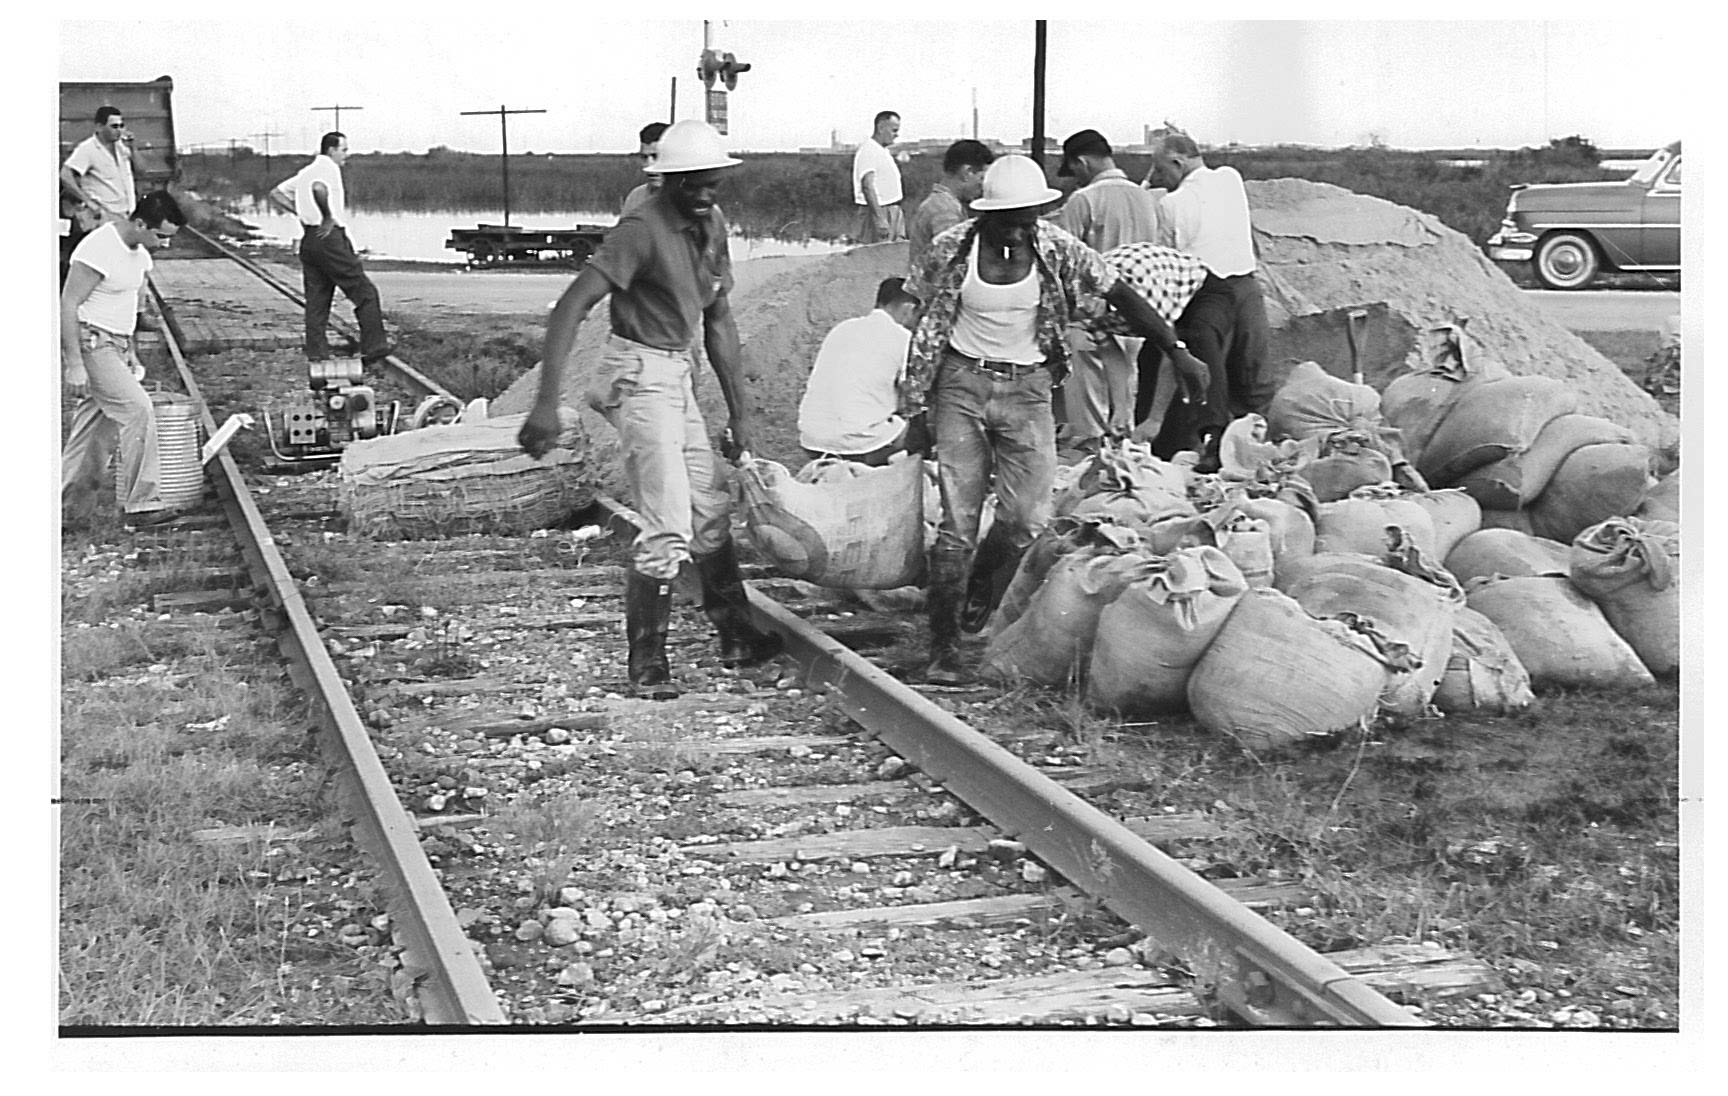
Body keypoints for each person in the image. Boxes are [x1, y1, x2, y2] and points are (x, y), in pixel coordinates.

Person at [902, 155, 1211, 683]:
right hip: (961, 384)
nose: (1022, 228)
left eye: (1031, 216)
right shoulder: (952, 249)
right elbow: (918, 312)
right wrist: (913, 402)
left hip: (1028, 390)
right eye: (1011, 218)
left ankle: (982, 578)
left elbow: (1119, 291)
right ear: (987, 214)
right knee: (957, 522)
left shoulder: (1053, 246)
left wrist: (1175, 348)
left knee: (1025, 518)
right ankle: (943, 648)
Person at [517, 120, 780, 701]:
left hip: (676, 370)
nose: (706, 192)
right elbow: (570, 308)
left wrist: (741, 415)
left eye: (713, 182)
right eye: (693, 184)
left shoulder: (710, 226)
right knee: (669, 521)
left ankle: (736, 636)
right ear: (668, 181)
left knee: (710, 505)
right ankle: (647, 663)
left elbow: (719, 320)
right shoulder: (641, 228)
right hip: (639, 373)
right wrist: (544, 403)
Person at [1138, 129, 1274, 467]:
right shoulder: (1230, 178)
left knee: (1199, 372)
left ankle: (1206, 446)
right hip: (1245, 285)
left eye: (1161, 169)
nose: (1159, 178)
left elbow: (1166, 260)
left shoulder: (1171, 204)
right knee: (1251, 372)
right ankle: (1250, 446)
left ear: (1177, 162)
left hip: (1204, 292)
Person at [60, 190, 187, 529]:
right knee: (138, 410)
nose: (165, 244)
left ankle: (68, 511)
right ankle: (141, 504)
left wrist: (130, 349)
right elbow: (68, 304)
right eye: (161, 236)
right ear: (140, 223)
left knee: (93, 432)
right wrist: (74, 364)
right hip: (93, 342)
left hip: (115, 345)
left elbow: (129, 302)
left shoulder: (140, 253)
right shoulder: (98, 248)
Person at [1055, 129, 1167, 452]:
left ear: (1082, 162)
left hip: (1092, 315)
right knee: (1124, 393)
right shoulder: (1147, 198)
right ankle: (1123, 451)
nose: (1073, 177)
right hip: (1138, 309)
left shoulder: (1084, 200)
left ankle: (1092, 457)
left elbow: (1064, 263)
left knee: (1089, 410)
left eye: (1073, 169)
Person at [267, 132, 393, 365]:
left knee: (317, 300)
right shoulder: (328, 169)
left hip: (310, 239)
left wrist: (300, 213)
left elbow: (276, 193)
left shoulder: (305, 172)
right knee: (365, 293)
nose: (346, 154)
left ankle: (317, 353)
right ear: (331, 150)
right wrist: (327, 216)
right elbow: (318, 189)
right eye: (344, 149)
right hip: (330, 238)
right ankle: (374, 346)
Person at [797, 278, 922, 466]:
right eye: (917, 316)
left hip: (812, 440)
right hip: (861, 445)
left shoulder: (842, 328)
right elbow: (913, 398)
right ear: (908, 309)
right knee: (922, 429)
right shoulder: (903, 338)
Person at [60, 106, 138, 287]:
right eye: (114, 126)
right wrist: (88, 202)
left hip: (126, 212)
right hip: (104, 215)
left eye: (121, 125)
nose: (119, 130)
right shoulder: (87, 149)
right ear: (99, 127)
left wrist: (134, 148)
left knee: (123, 261)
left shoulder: (122, 148)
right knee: (105, 262)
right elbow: (65, 174)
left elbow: (141, 169)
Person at [907, 139, 994, 273]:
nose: (982, 187)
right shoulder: (944, 210)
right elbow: (951, 261)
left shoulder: (941, 203)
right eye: (982, 178)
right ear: (967, 172)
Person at [851, 111, 905, 244]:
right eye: (894, 130)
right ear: (881, 128)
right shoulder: (869, 150)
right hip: (879, 212)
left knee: (895, 255)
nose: (896, 134)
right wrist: (880, 218)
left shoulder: (882, 151)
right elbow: (867, 186)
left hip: (893, 210)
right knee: (877, 257)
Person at [620, 121, 669, 216]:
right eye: (644, 157)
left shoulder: (696, 199)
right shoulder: (636, 197)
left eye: (656, 156)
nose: (648, 165)